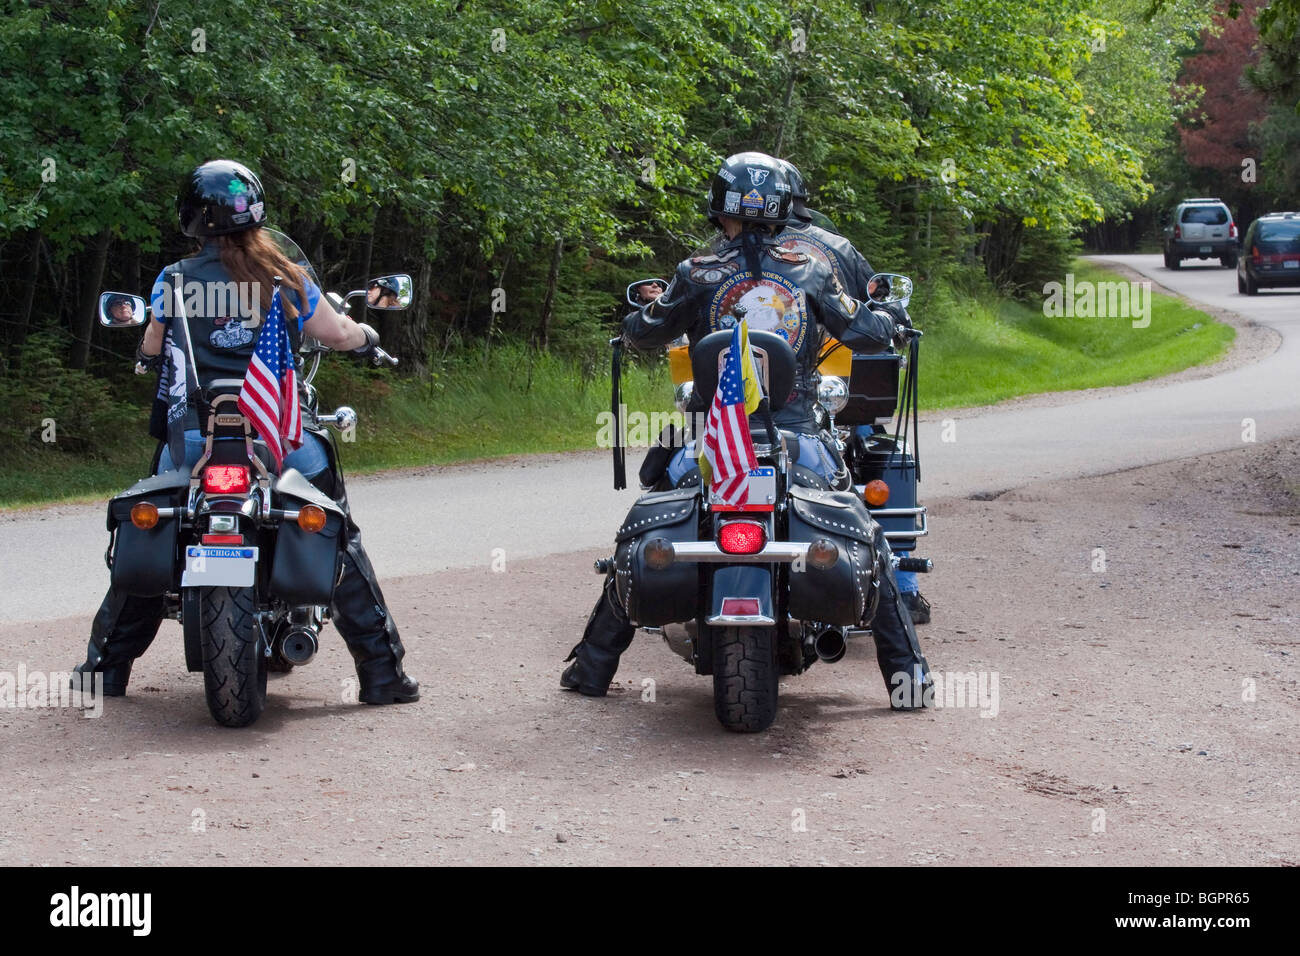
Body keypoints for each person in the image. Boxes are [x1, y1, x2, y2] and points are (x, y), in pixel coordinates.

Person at [561, 151, 931, 709]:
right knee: (869, 543)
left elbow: (643, 330)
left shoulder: (697, 273)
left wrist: (646, 311)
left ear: (720, 210)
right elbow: (867, 333)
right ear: (785, 211)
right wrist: (893, 319)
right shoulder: (813, 269)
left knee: (649, 521)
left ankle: (592, 668)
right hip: (800, 437)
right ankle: (909, 683)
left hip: (715, 440)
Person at [72, 159, 419, 705]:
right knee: (338, 533)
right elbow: (337, 331)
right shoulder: (285, 276)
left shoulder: (174, 279)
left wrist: (145, 356)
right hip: (278, 442)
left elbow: (154, 348)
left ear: (193, 218)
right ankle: (382, 676)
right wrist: (367, 337)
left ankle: (103, 670)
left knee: (160, 519)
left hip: (194, 441)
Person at [776, 159, 931, 625]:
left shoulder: (720, 252)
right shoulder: (834, 248)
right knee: (871, 448)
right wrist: (894, 323)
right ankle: (902, 587)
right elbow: (869, 317)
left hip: (741, 396)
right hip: (825, 389)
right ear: (802, 204)